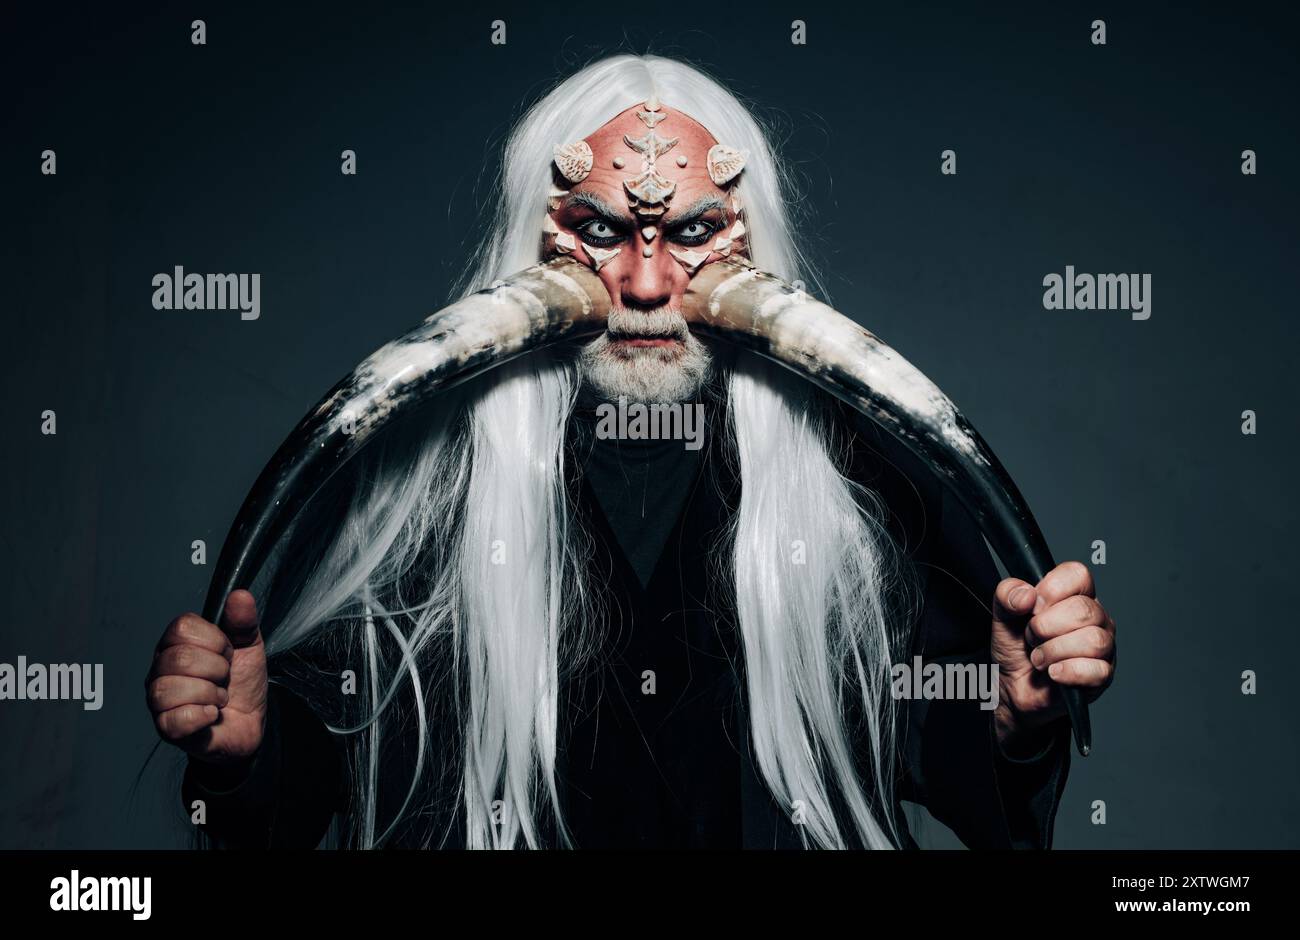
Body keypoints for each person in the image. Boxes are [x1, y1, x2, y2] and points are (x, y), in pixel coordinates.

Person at [144, 54, 1116, 850]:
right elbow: (321, 749)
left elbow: (949, 758)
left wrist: (1011, 722)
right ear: (537, 240)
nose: (645, 282)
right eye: (600, 230)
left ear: (749, 244)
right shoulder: (424, 478)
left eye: (692, 230)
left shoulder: (854, 477)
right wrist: (246, 756)